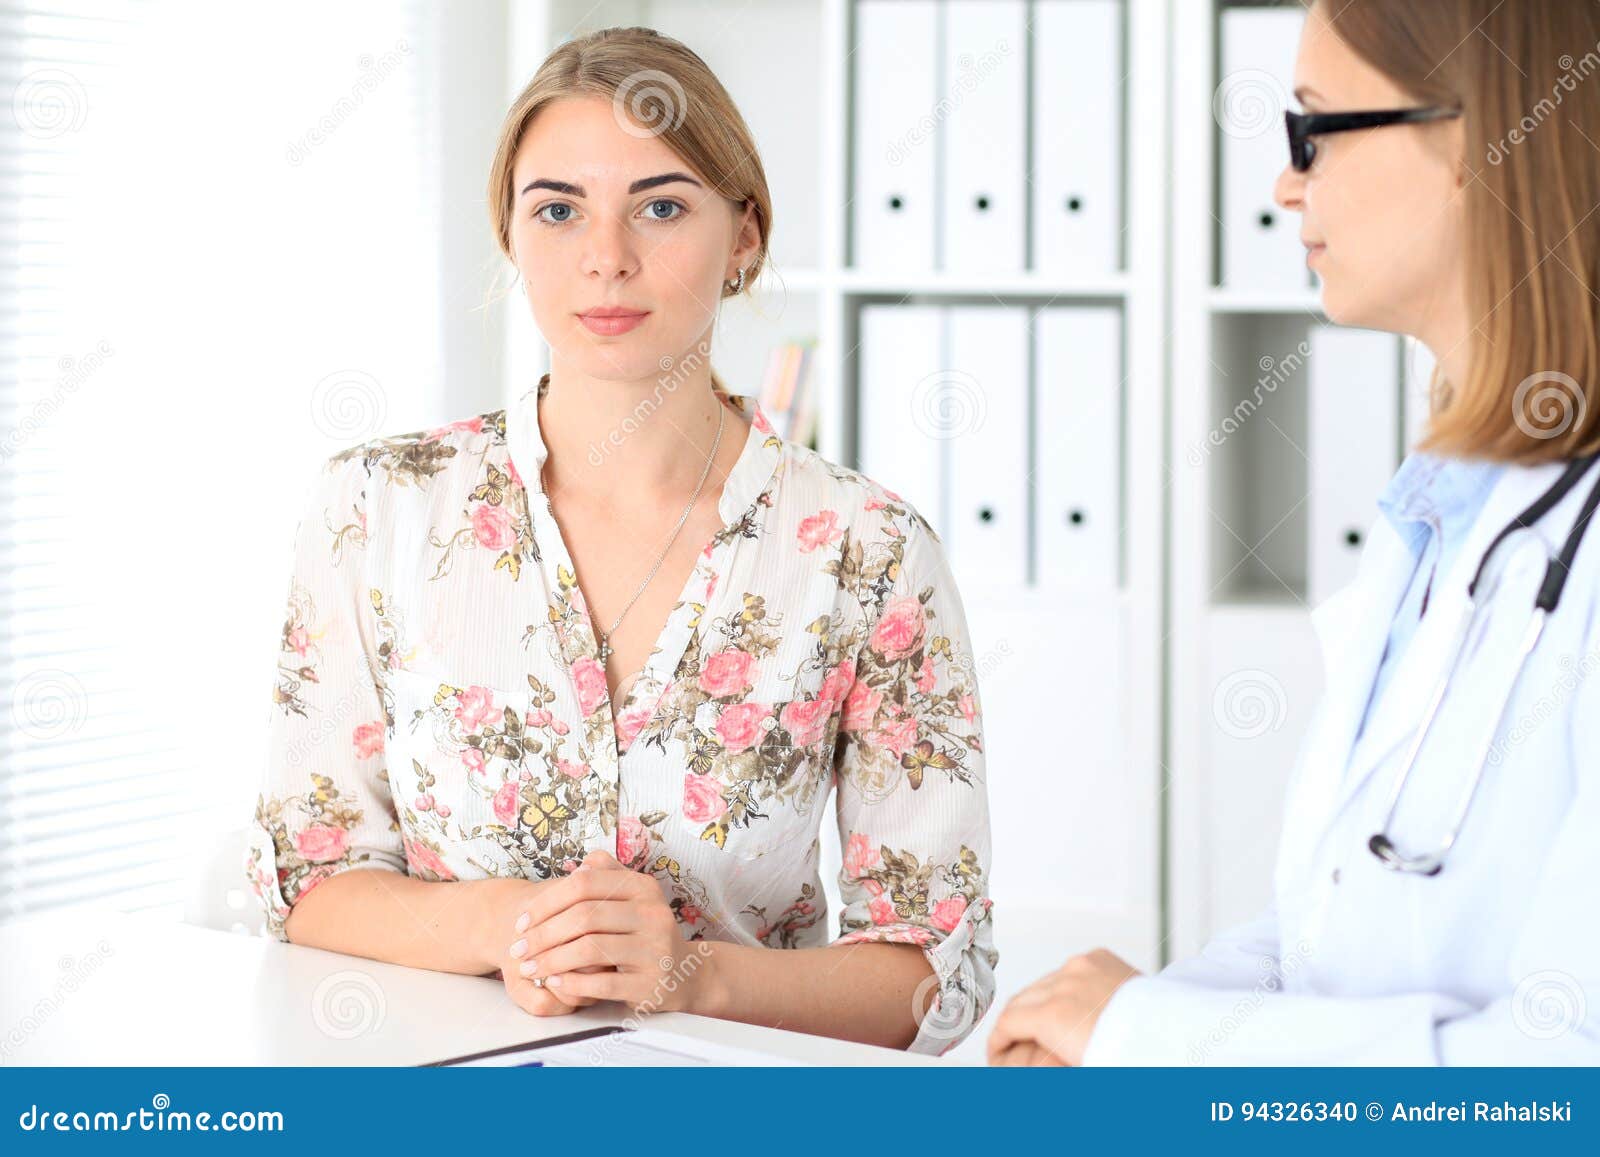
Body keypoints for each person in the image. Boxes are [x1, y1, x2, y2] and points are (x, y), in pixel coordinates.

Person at [247, 26, 997, 1056]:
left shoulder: (869, 553)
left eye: (661, 206)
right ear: (512, 235)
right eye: (558, 209)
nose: (606, 256)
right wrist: (511, 923)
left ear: (744, 236)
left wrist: (695, 973)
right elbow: (307, 875)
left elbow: (933, 974)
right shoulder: (375, 509)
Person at [989, 0, 1600, 1065]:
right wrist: (1106, 1033)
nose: (1284, 183)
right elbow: (1325, 930)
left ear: (1478, 137)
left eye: (1313, 129)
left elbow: (1563, 1081)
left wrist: (1144, 1037)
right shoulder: (1445, 517)